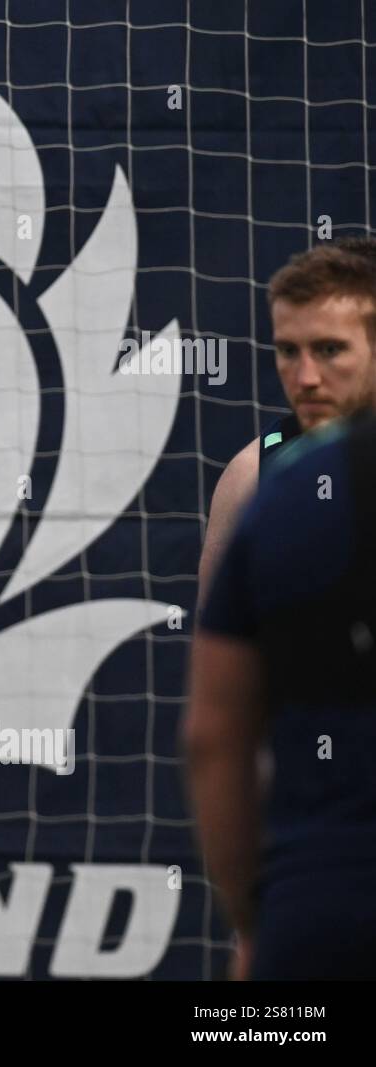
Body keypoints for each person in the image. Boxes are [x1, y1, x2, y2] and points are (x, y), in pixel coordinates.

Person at [188, 410, 376, 980]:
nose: (308, 376)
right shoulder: (258, 472)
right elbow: (217, 720)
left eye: (332, 360)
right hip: (308, 840)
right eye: (290, 361)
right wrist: (250, 920)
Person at [198, 239, 376, 606]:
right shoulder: (253, 473)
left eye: (330, 349)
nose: (306, 378)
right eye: (288, 351)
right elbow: (217, 633)